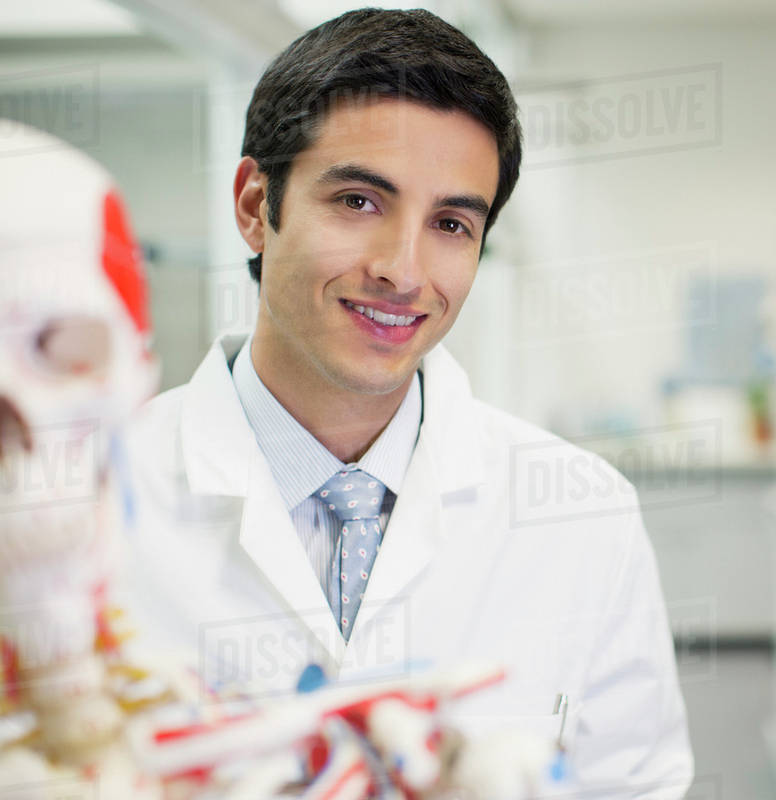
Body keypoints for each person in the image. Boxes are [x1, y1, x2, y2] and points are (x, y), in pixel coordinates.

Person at [124, 8, 694, 797]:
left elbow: (636, 786)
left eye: (452, 223)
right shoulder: (78, 509)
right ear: (258, 205)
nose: (403, 269)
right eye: (359, 201)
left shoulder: (586, 515)